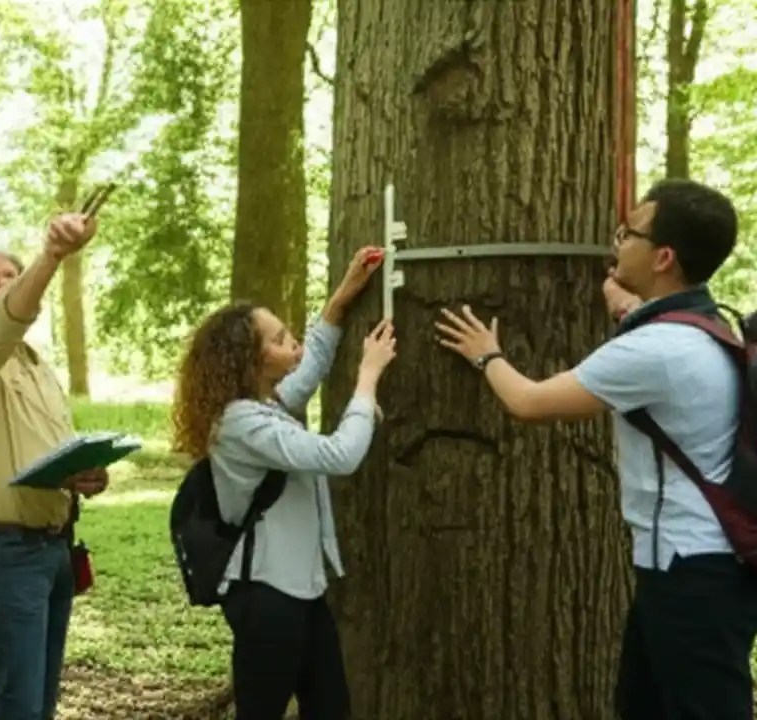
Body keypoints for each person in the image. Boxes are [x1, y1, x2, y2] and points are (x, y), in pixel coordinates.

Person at [434, 178, 757, 720]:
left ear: (664, 256)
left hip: (691, 572)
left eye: (628, 232)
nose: (616, 240)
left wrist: (487, 355)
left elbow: (530, 401)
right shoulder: (704, 327)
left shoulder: (654, 349)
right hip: (694, 566)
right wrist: (632, 310)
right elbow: (658, 356)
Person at [170, 247, 395, 720]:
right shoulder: (239, 422)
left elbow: (307, 367)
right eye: (278, 339)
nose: (290, 341)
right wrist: (367, 378)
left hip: (301, 589)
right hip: (266, 594)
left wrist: (341, 300)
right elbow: (339, 455)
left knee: (331, 708)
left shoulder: (263, 404)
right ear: (250, 360)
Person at [0, 218, 109, 720]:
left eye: (12, 273)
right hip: (5, 552)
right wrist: (52, 255)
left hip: (53, 547)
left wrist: (84, 476)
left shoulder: (37, 365)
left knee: (40, 702)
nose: (3, 282)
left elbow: (47, 454)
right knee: (17, 703)